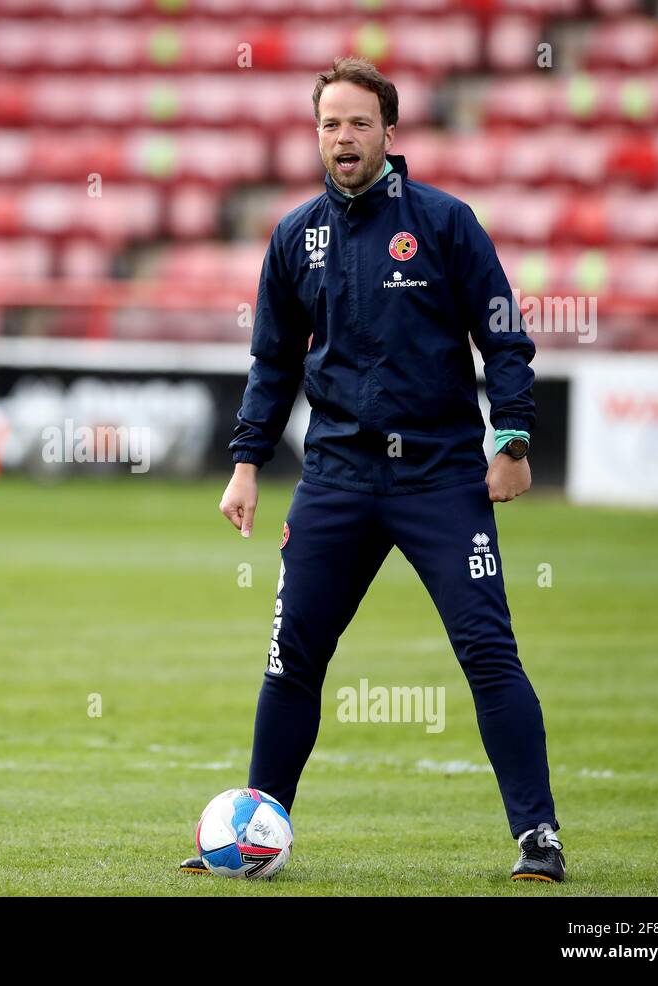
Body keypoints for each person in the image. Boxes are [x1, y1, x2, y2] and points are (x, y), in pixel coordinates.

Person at [181, 57, 564, 882]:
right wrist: (246, 463)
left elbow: (504, 337)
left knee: (489, 654)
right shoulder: (294, 237)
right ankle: (256, 825)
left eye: (358, 123)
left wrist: (515, 441)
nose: (342, 138)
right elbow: (272, 362)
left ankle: (538, 837)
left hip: (441, 480)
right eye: (329, 124)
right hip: (338, 482)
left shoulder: (446, 222)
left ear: (389, 131)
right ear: (315, 134)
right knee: (291, 657)